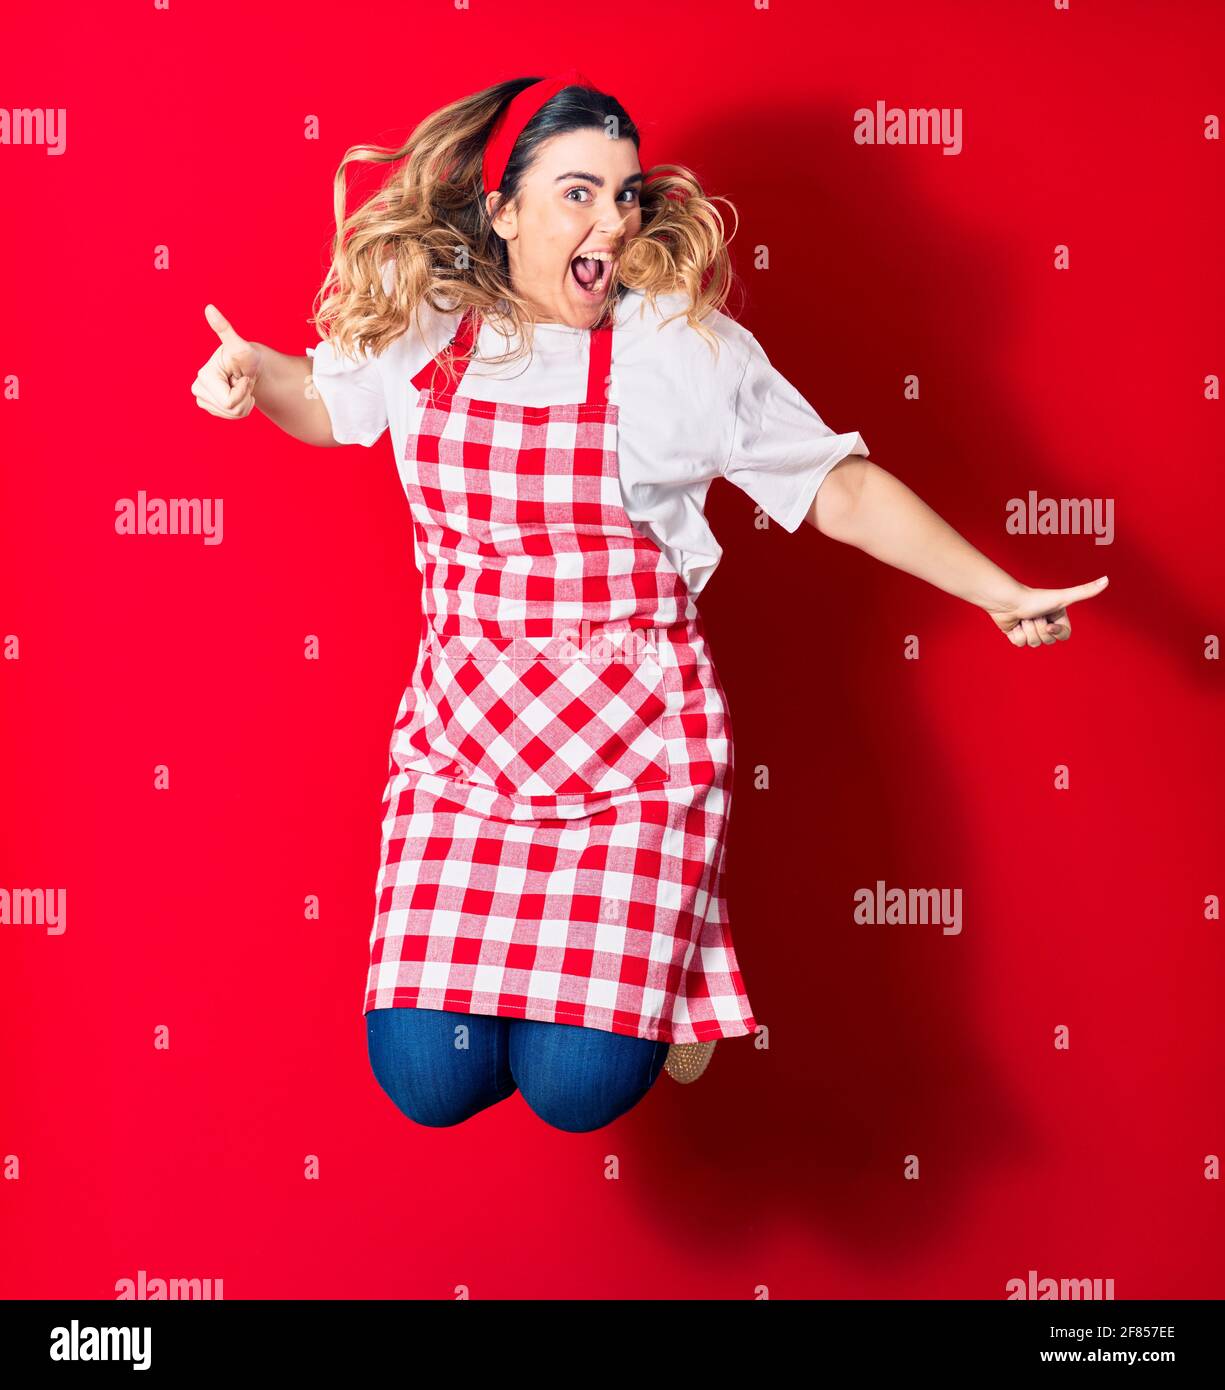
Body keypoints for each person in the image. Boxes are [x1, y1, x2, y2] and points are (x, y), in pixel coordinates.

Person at [190, 70, 1108, 1134]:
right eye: (579, 192)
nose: (614, 220)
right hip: (462, 737)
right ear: (503, 210)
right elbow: (326, 402)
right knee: (427, 1082)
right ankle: (650, 971)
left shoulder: (675, 353)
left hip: (630, 742)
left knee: (575, 1092)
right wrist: (257, 375)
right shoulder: (422, 325)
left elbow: (838, 488)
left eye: (626, 195)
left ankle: (668, 970)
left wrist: (994, 587)